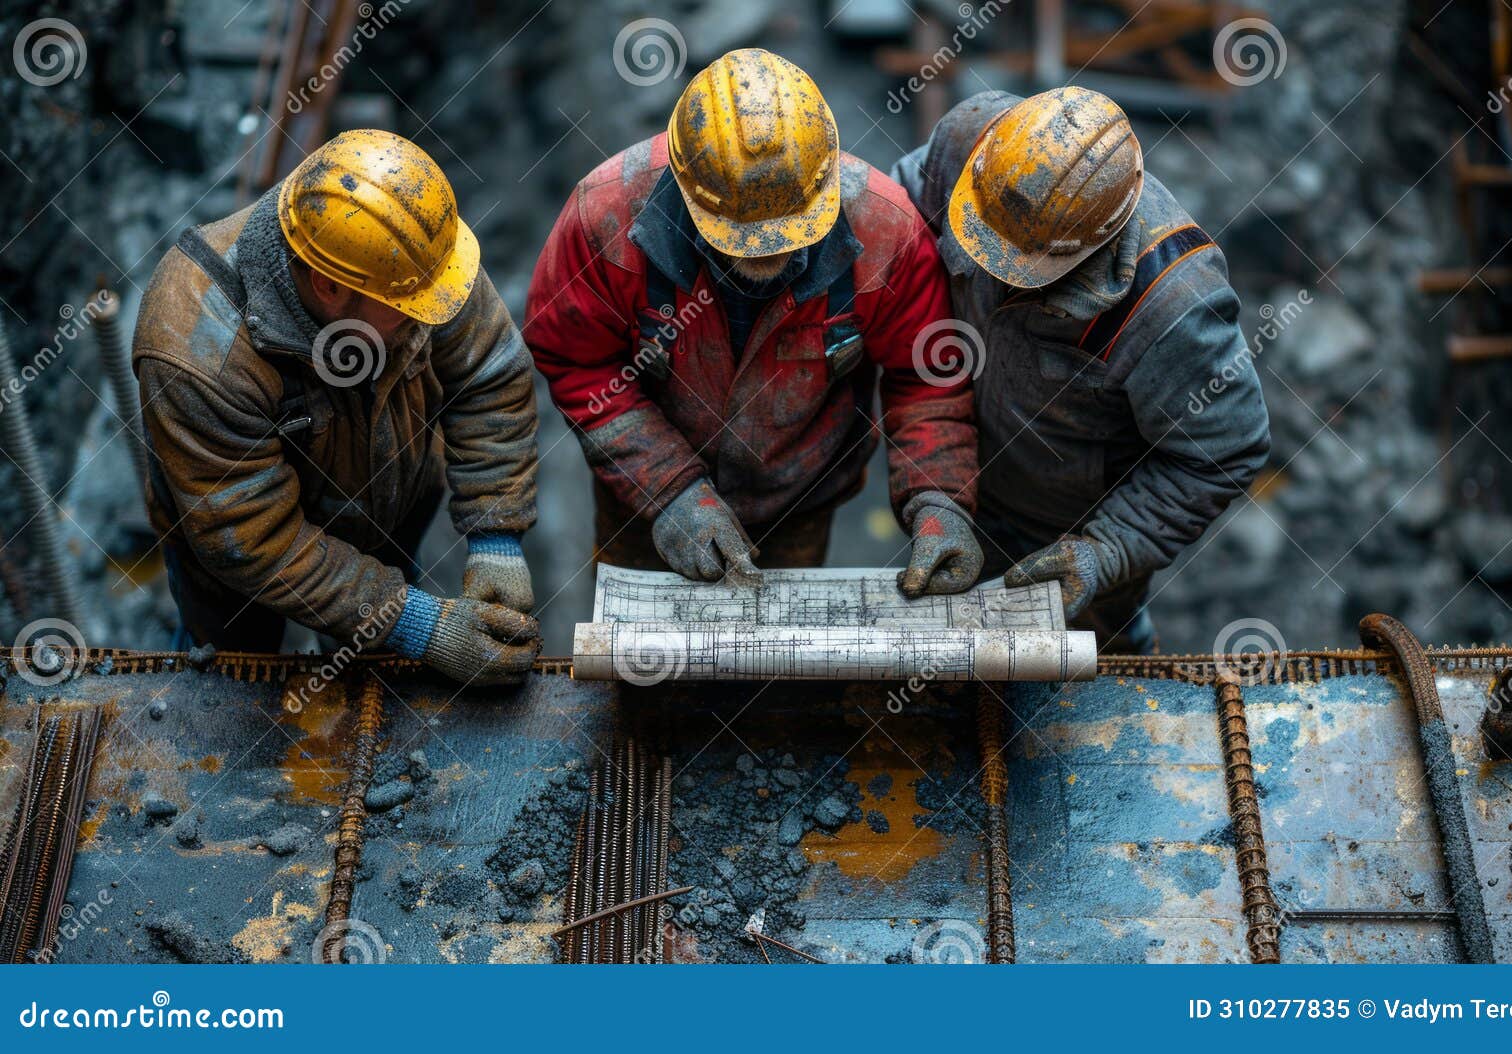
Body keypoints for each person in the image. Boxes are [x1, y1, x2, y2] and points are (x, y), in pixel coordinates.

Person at [524, 48, 980, 597]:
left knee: (773, 667)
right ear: (691, 194)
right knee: (639, 664)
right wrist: (669, 490)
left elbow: (926, 380)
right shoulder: (606, 219)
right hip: (641, 502)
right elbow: (578, 363)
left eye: (786, 239)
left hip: (800, 500)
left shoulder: (888, 234)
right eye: (740, 240)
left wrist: (939, 501)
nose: (766, 260)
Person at [134, 129, 542, 684]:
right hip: (240, 559)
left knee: (371, 675)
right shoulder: (196, 352)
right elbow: (254, 539)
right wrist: (418, 625)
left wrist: (496, 534)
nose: (429, 317)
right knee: (231, 676)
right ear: (329, 286)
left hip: (388, 509)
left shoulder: (406, 252)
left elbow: (488, 373)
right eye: (407, 310)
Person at [892, 88, 1271, 652]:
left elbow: (1224, 452)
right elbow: (895, 224)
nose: (1001, 277)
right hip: (961, 473)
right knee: (950, 665)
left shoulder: (1174, 307)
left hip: (1069, 534)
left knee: (1084, 683)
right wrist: (937, 486)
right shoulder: (977, 144)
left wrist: (1105, 552)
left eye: (1026, 269)